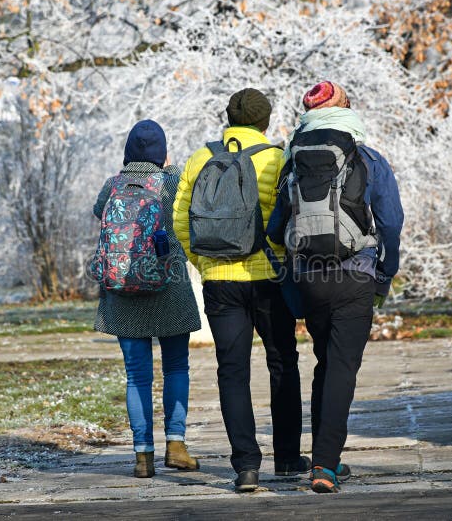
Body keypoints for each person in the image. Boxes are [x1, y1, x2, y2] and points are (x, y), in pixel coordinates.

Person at [267, 81, 404, 493]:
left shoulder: (294, 160)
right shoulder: (367, 158)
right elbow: (392, 222)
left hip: (310, 279)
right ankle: (325, 464)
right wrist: (385, 272)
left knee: (325, 363)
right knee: (342, 367)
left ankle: (328, 458)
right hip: (355, 277)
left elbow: (276, 228)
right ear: (347, 109)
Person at [173, 89, 309, 492]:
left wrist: (207, 266)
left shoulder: (202, 157)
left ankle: (246, 466)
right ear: (266, 122)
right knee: (282, 361)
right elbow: (290, 218)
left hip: (220, 283)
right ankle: (286, 457)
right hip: (269, 278)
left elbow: (181, 220)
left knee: (232, 370)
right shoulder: (276, 157)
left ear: (229, 119)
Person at [93, 119, 202, 478]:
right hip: (168, 286)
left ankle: (143, 457)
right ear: (162, 152)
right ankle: (177, 446)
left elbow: (99, 212)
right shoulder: (171, 181)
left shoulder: (114, 185)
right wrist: (169, 169)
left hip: (122, 289)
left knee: (137, 376)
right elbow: (188, 212)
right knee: (176, 367)